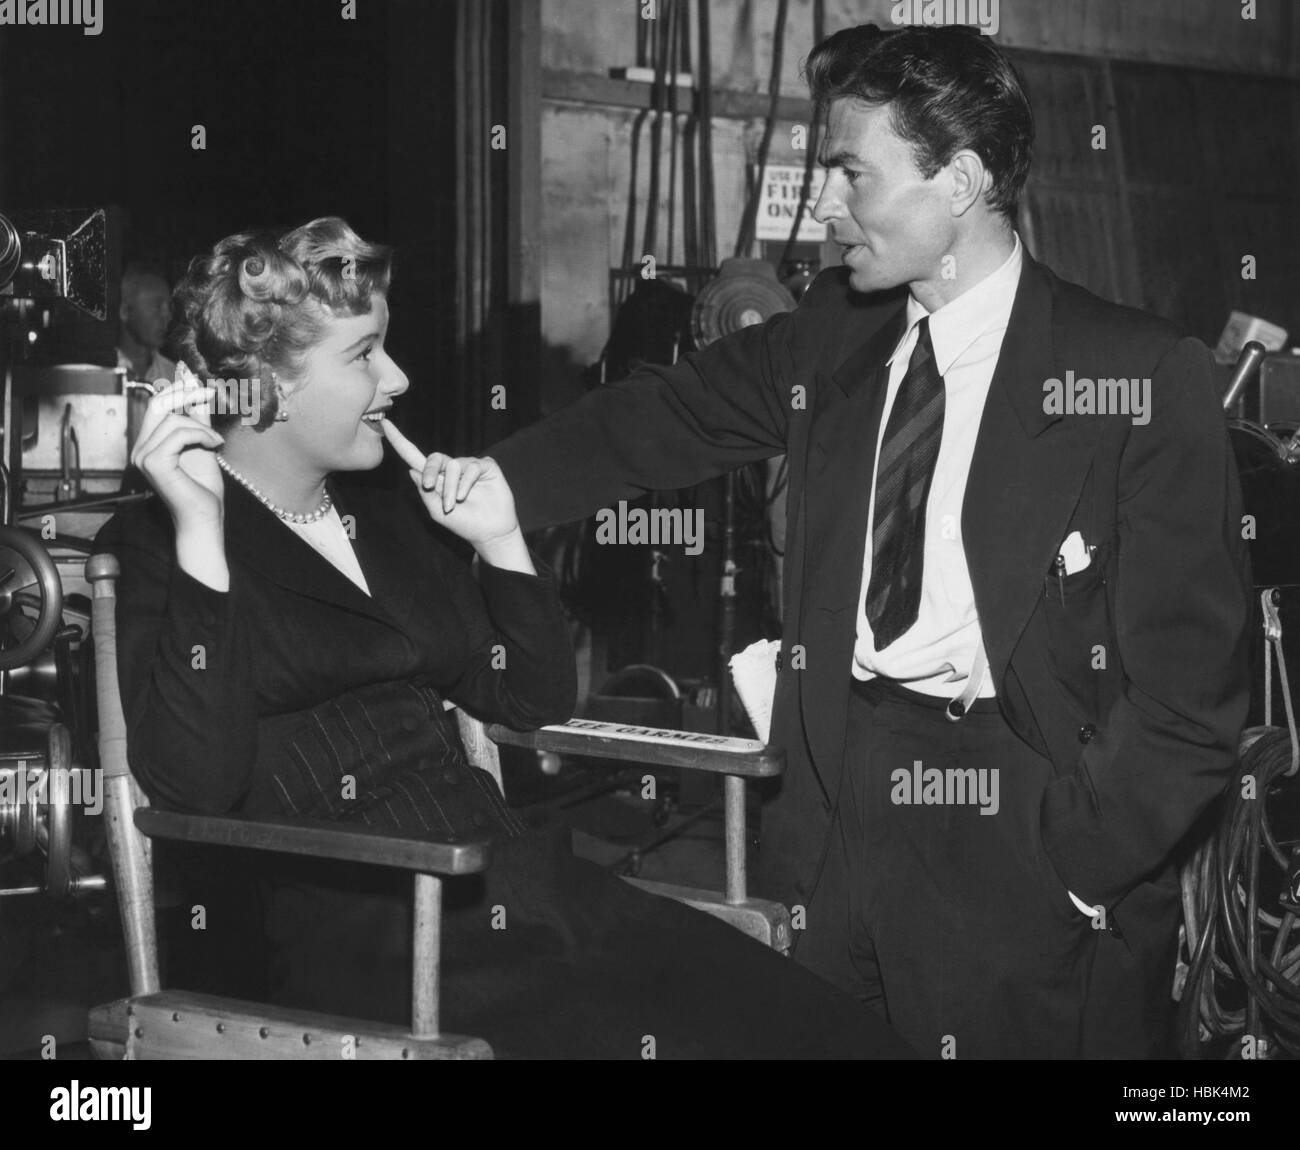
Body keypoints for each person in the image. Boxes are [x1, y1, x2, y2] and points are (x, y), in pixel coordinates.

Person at [485, 25, 1253, 1058]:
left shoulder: (1133, 376)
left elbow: (1190, 696)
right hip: (832, 812)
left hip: (1012, 823)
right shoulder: (834, 334)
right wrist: (490, 484)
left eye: (851, 174)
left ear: (961, 180)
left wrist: (1074, 866)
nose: (825, 207)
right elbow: (663, 418)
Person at [95, 216, 915, 1060]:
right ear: (267, 384)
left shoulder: (384, 517)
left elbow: (532, 698)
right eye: (363, 354)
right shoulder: (157, 545)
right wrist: (201, 536)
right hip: (362, 940)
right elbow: (195, 786)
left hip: (515, 890)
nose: (397, 377)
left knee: (826, 1034)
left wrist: (499, 542)